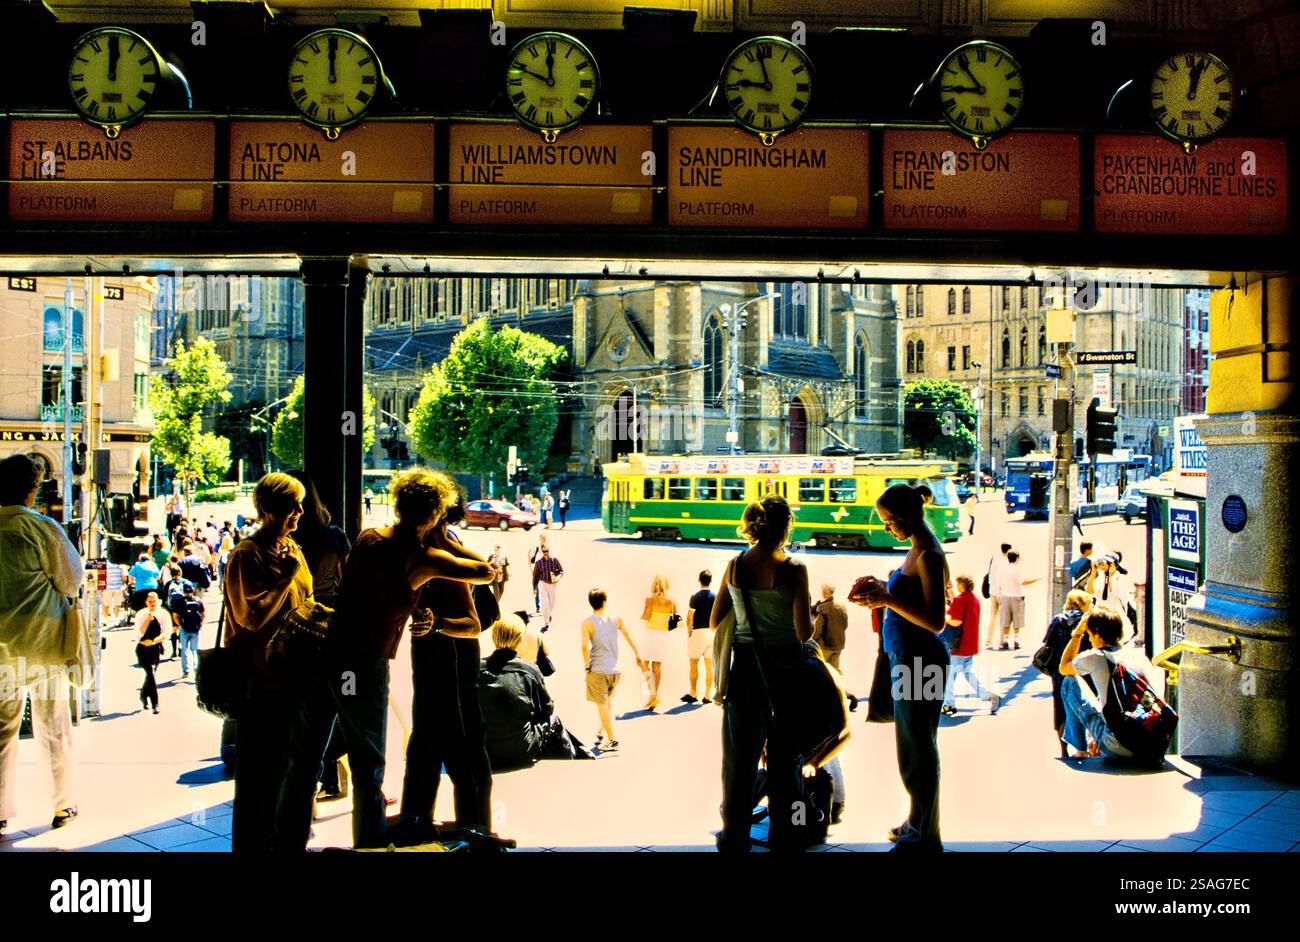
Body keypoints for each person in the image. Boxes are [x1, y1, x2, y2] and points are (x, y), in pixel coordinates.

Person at [318, 468, 494, 849]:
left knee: (316, 752)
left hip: (330, 651)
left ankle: (283, 837)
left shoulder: (367, 539)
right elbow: (484, 570)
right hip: (365, 663)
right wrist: (442, 541)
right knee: (368, 763)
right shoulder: (424, 558)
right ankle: (370, 844)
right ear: (434, 515)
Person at [849, 484, 950, 853]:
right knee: (912, 744)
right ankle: (917, 819)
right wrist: (881, 589)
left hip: (920, 660)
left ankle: (924, 834)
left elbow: (936, 621)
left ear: (907, 517)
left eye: (890, 522)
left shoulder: (928, 555)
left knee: (918, 747)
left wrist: (888, 597)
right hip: (909, 658)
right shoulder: (916, 550)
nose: (887, 528)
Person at [711, 494, 813, 853]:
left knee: (738, 759)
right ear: (786, 527)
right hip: (784, 669)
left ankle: (734, 837)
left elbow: (715, 620)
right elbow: (804, 633)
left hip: (744, 668)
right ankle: (787, 835)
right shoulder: (795, 569)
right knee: (786, 760)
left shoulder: (735, 564)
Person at [397, 475, 495, 841]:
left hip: (453, 664)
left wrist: (437, 624)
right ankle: (421, 820)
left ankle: (473, 826)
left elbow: (471, 622)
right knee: (429, 744)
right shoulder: (416, 546)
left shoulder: (441, 550)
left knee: (462, 747)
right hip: (432, 662)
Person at [221, 473, 314, 853]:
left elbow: (306, 599)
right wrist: (284, 580)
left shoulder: (291, 547)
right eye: (291, 505)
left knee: (291, 769)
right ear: (267, 509)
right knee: (259, 775)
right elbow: (250, 616)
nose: (299, 512)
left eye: (300, 504)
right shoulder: (248, 553)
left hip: (294, 674)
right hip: (261, 681)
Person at [0, 453, 84, 836]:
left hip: (1, 648)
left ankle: (0, 809)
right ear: (32, 490)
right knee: (53, 727)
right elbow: (71, 580)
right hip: (44, 644)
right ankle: (63, 804)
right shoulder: (43, 528)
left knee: (3, 730)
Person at [280, 470, 353, 810]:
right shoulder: (333, 536)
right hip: (330, 631)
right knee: (329, 710)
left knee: (297, 717)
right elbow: (350, 581)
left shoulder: (283, 544)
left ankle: (303, 794)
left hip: (292, 634)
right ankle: (326, 777)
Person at [479, 615, 590, 771]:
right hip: (523, 749)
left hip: (483, 750)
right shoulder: (529, 669)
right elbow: (547, 709)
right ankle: (574, 758)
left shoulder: (476, 669)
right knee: (553, 721)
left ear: (494, 637)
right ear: (519, 639)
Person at [1058, 606, 1158, 760]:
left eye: (1089, 635)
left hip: (1116, 746)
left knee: (1069, 682)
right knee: (1100, 700)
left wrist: (1077, 634)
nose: (1089, 639)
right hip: (1149, 745)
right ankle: (1091, 741)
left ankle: (1081, 750)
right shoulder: (1139, 657)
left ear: (1097, 634)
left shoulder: (1096, 656)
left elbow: (1064, 667)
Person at [581, 589, 642, 751]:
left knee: (602, 704)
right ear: (605, 602)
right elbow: (628, 636)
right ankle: (603, 729)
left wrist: (587, 667)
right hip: (615, 670)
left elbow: (584, 647)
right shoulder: (616, 620)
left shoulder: (588, 623)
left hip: (598, 670)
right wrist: (637, 654)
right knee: (607, 703)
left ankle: (612, 740)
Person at [811, 583, 851, 824]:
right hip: (838, 648)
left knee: (819, 743)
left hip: (824, 650)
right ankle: (837, 802)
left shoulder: (822, 612)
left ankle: (830, 802)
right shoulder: (841, 607)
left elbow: (816, 633)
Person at [1042, 590, 1093, 757]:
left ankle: (1063, 750)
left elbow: (1048, 643)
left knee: (1061, 711)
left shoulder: (1057, 620)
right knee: (1087, 706)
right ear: (1082, 604)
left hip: (1059, 671)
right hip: (1085, 671)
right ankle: (1085, 748)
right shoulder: (1088, 621)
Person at [941, 575, 1000, 716]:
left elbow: (955, 621)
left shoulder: (961, 600)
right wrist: (951, 595)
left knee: (949, 675)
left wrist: (943, 616)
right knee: (967, 673)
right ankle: (987, 696)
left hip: (958, 645)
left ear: (962, 585)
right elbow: (960, 606)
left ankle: (949, 704)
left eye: (957, 584)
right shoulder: (973, 598)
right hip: (970, 644)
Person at [639, 575, 678, 710]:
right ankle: (653, 696)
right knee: (657, 667)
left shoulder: (650, 600)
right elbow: (676, 623)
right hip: (663, 637)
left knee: (644, 664)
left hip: (651, 635)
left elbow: (646, 616)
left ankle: (653, 694)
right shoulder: (672, 602)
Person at [682, 570, 716, 704]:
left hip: (697, 632)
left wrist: (688, 629)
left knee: (694, 664)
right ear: (710, 580)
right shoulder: (715, 596)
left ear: (699, 580)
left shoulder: (694, 596)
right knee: (709, 665)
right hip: (711, 632)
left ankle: (693, 692)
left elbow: (690, 616)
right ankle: (708, 694)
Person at [998, 550, 1039, 650]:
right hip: (1017, 597)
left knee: (1006, 620)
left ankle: (1005, 641)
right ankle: (1016, 641)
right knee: (1017, 620)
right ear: (1017, 558)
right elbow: (1023, 582)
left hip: (1005, 596)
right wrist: (1036, 579)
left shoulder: (1003, 569)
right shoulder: (1018, 569)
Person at [133, 592, 166, 713]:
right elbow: (138, 633)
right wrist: (147, 620)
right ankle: (155, 704)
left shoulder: (162, 614)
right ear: (146, 602)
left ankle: (143, 694)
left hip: (155, 648)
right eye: (150, 602)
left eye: (154, 601)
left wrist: (154, 641)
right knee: (150, 673)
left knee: (150, 676)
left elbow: (166, 632)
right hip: (142, 648)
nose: (152, 604)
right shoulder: (141, 614)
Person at [984, 543, 1012, 650]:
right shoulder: (1007, 561)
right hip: (1002, 593)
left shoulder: (995, 557)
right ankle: (1002, 641)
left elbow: (990, 574)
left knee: (993, 617)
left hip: (992, 591)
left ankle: (989, 640)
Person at [532, 543, 563, 631]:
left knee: (552, 603)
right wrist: (534, 588)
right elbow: (535, 576)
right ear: (541, 552)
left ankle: (549, 615)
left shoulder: (555, 560)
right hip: (542, 584)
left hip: (553, 585)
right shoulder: (538, 563)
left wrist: (558, 577)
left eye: (547, 551)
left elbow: (561, 571)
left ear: (549, 550)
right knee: (544, 604)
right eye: (543, 551)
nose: (545, 553)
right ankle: (546, 622)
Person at [177, 584, 205, 679]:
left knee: (184, 651)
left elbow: (175, 615)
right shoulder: (198, 600)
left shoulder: (180, 601)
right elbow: (203, 613)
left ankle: (186, 671)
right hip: (195, 629)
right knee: (195, 651)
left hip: (184, 629)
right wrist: (200, 623)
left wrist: (180, 624)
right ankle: (196, 670)